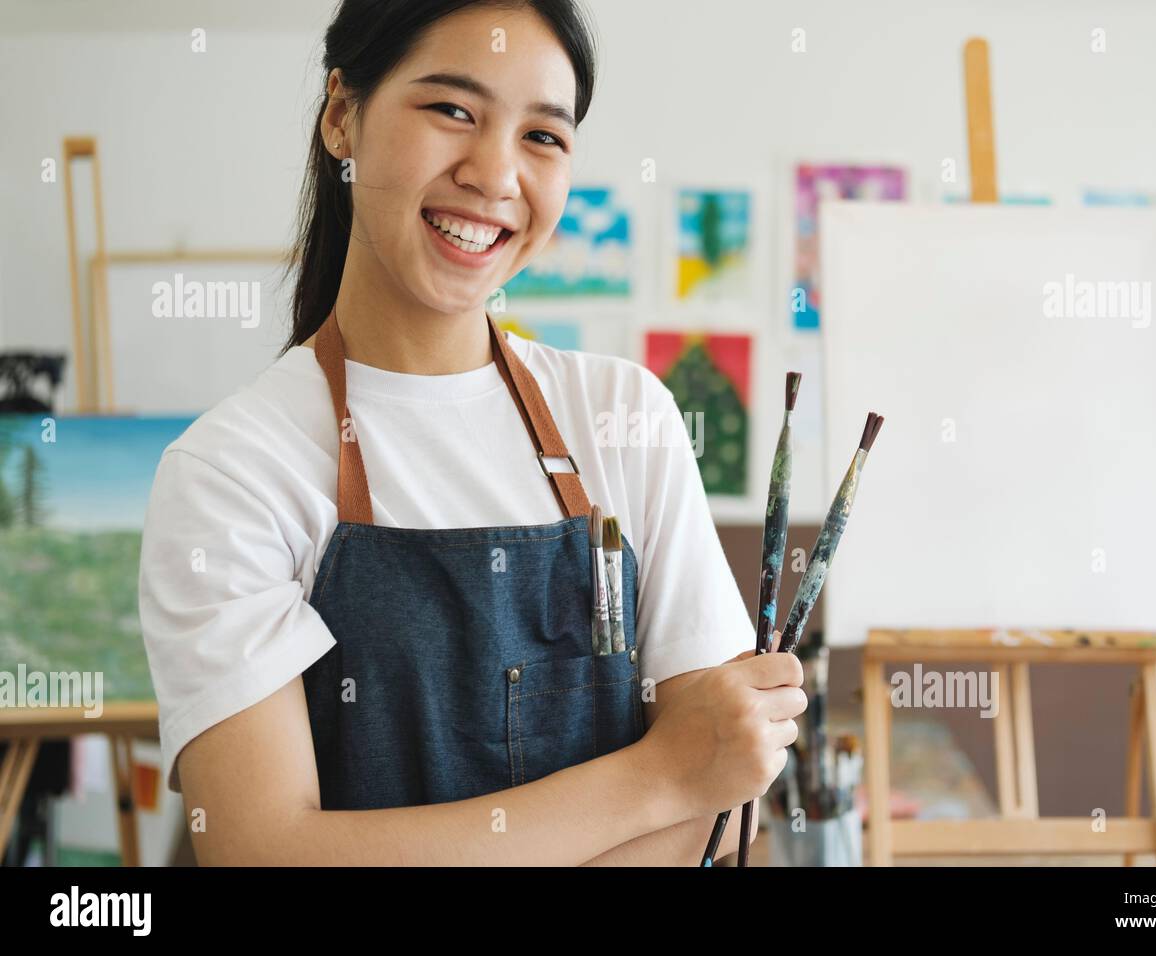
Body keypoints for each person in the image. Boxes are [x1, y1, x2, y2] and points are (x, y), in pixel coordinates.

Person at [138, 0, 804, 865]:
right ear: (342, 115)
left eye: (543, 137)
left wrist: (697, 778)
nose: (495, 175)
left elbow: (728, 806)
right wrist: (665, 775)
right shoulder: (231, 475)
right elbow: (264, 851)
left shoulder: (625, 420)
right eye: (453, 110)